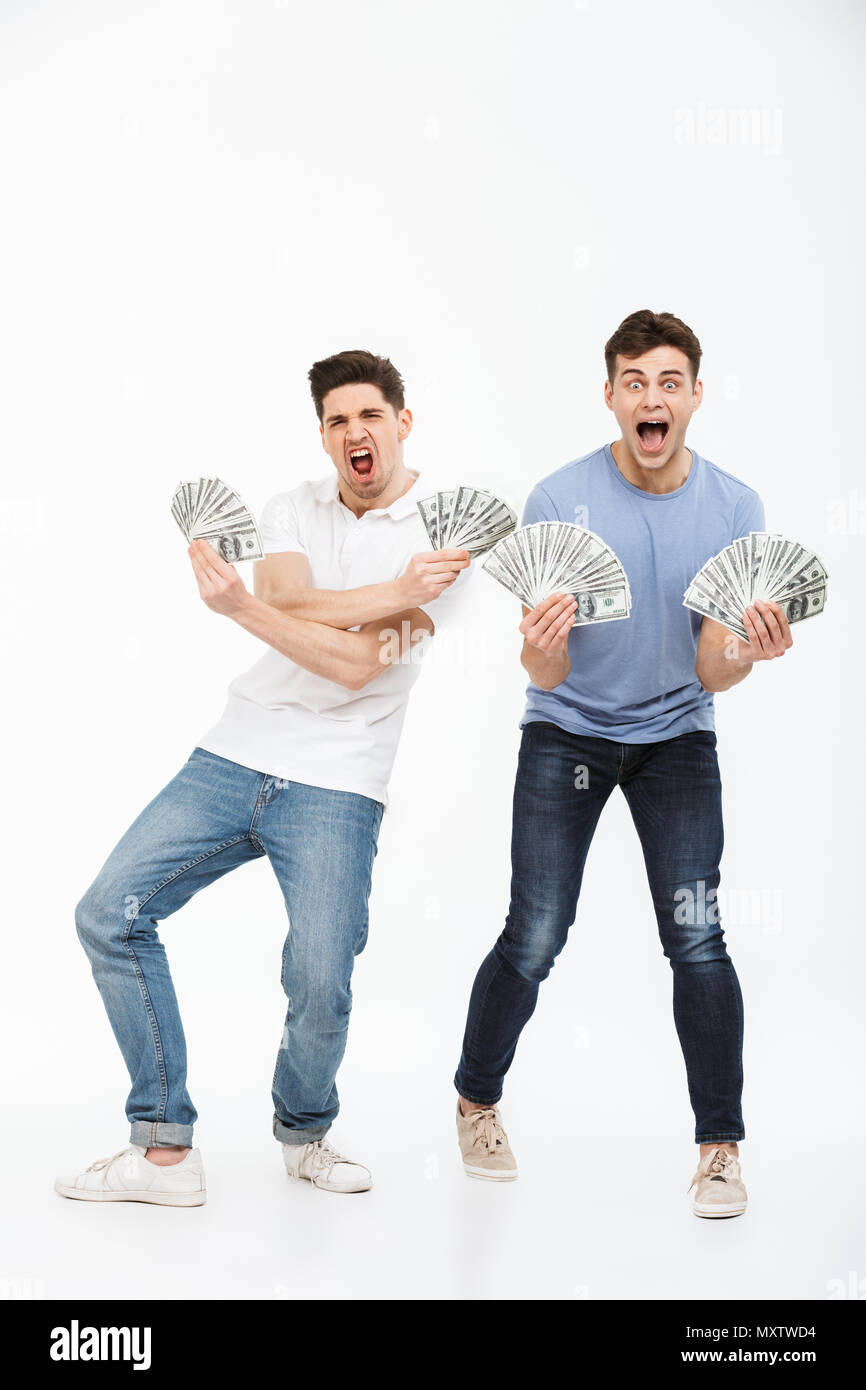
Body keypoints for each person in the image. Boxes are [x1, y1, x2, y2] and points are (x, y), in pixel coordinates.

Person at [57, 349, 470, 1205]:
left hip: (341, 782)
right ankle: (164, 1146)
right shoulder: (292, 507)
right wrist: (319, 599)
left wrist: (255, 608)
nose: (355, 433)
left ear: (403, 421)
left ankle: (305, 1130)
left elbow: (358, 665)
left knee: (322, 978)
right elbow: (286, 600)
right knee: (109, 913)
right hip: (235, 753)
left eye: (369, 415)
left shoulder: (447, 540)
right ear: (324, 435)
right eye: (336, 421)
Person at [454, 310, 794, 1218]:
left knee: (697, 937)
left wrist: (749, 653)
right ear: (610, 396)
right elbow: (543, 672)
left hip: (677, 737)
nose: (653, 398)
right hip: (567, 730)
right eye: (635, 382)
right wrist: (539, 645)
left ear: (693, 397)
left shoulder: (735, 508)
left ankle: (719, 1149)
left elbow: (713, 664)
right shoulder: (558, 499)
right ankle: (475, 1099)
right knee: (536, 931)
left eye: (669, 382)